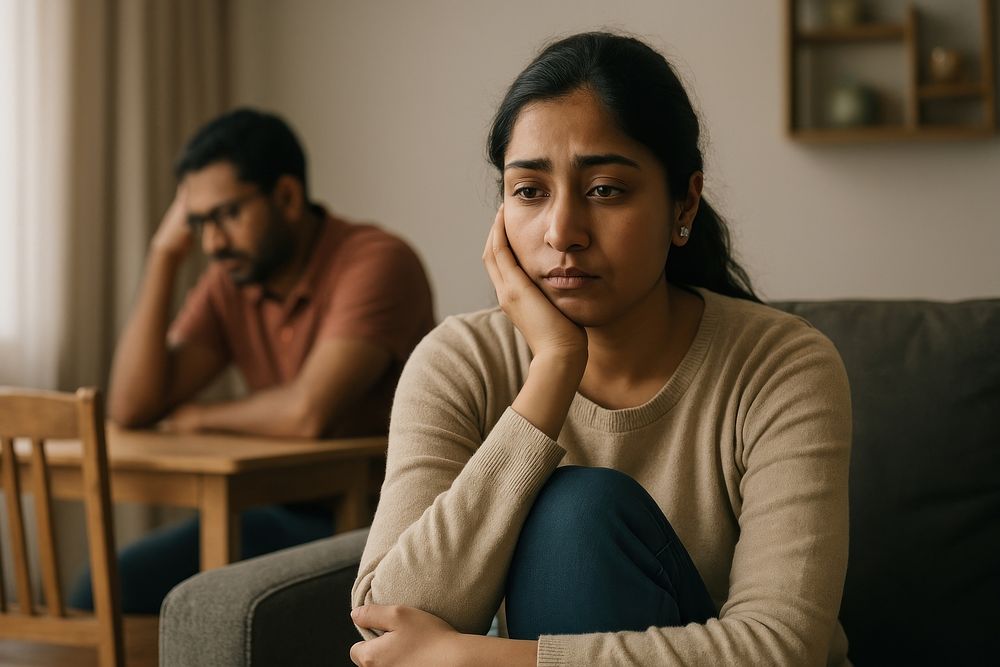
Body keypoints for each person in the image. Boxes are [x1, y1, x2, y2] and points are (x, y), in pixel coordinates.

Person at [350, 32, 851, 666]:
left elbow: (783, 648)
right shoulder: (459, 362)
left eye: (605, 190)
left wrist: (494, 660)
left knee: (574, 515)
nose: (562, 232)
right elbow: (385, 626)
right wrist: (554, 370)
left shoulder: (782, 367)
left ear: (683, 203)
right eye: (529, 191)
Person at [70, 108, 435, 614]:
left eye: (226, 215)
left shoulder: (376, 261)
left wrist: (199, 418)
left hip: (369, 525)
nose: (212, 242)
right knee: (101, 594)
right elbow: (133, 407)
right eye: (198, 224)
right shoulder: (232, 279)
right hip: (268, 509)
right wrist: (162, 257)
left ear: (286, 196)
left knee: (212, 608)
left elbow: (308, 414)